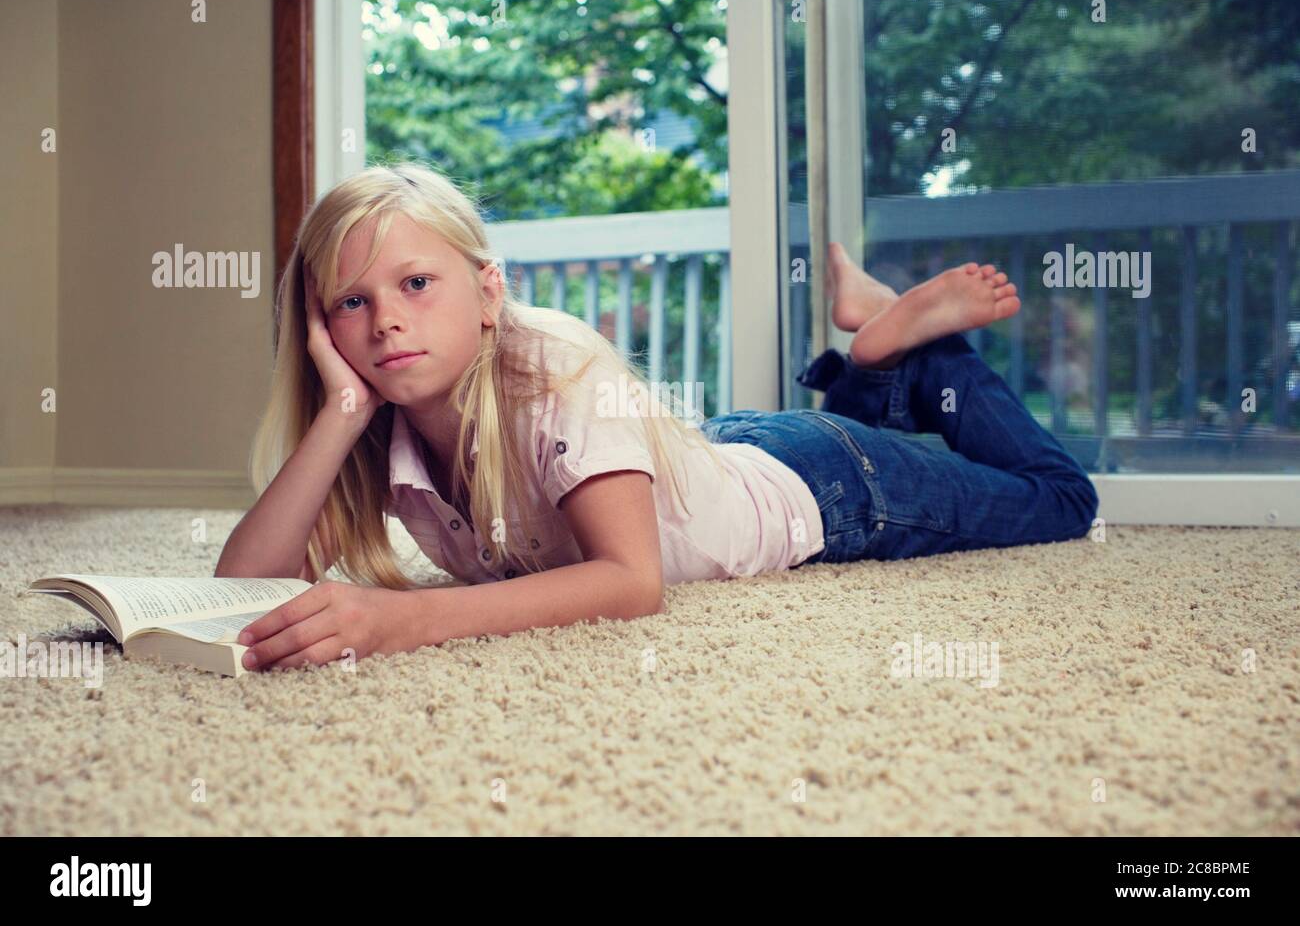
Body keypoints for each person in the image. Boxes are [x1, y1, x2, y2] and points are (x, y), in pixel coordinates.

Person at [216, 162, 1097, 672]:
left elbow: (631, 583)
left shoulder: (550, 364)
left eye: (416, 283)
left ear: (488, 291)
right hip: (725, 451)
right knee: (837, 434)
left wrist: (404, 622)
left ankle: (925, 356)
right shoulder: (380, 420)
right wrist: (336, 410)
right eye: (350, 303)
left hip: (828, 492)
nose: (387, 321)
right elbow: (243, 589)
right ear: (319, 329)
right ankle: (875, 354)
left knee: (1061, 501)